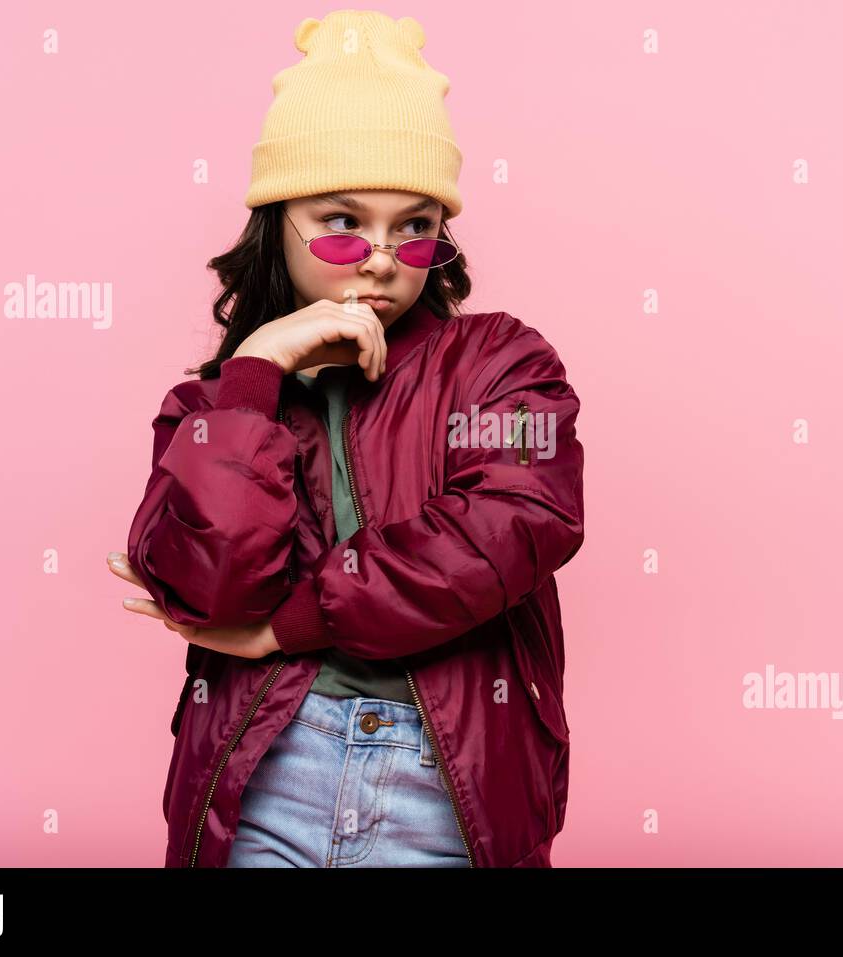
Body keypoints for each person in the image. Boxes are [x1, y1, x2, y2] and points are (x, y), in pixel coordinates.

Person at [105, 9, 584, 868]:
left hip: (446, 785)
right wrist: (256, 371)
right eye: (341, 221)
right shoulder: (210, 407)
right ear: (275, 222)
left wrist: (292, 622)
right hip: (267, 778)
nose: (380, 258)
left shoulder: (502, 360)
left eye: (415, 226)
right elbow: (211, 594)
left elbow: (509, 523)